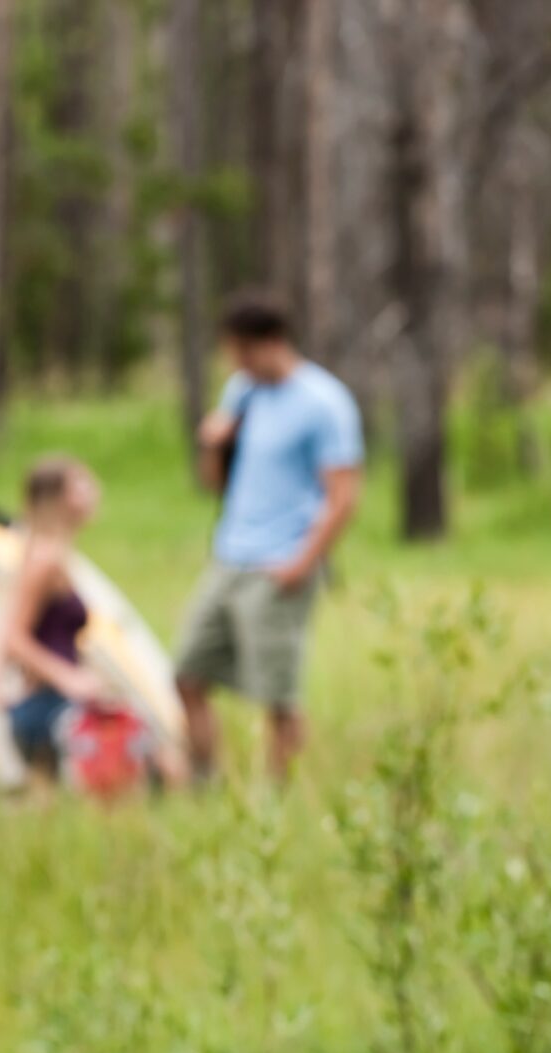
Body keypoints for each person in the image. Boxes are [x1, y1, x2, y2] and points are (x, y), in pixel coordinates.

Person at [176, 289, 363, 783]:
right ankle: (203, 784)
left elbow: (344, 496)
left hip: (281, 564)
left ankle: (276, 801)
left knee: (277, 697)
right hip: (229, 556)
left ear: (272, 342)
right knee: (187, 675)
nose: (236, 363)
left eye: (242, 351)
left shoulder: (324, 402)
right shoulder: (242, 392)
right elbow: (215, 483)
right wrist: (211, 444)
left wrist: (302, 563)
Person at [0, 457, 108, 785]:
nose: (92, 492)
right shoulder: (44, 560)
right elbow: (13, 638)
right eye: (80, 486)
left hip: (56, 703)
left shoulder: (55, 554)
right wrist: (69, 679)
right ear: (57, 498)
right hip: (47, 709)